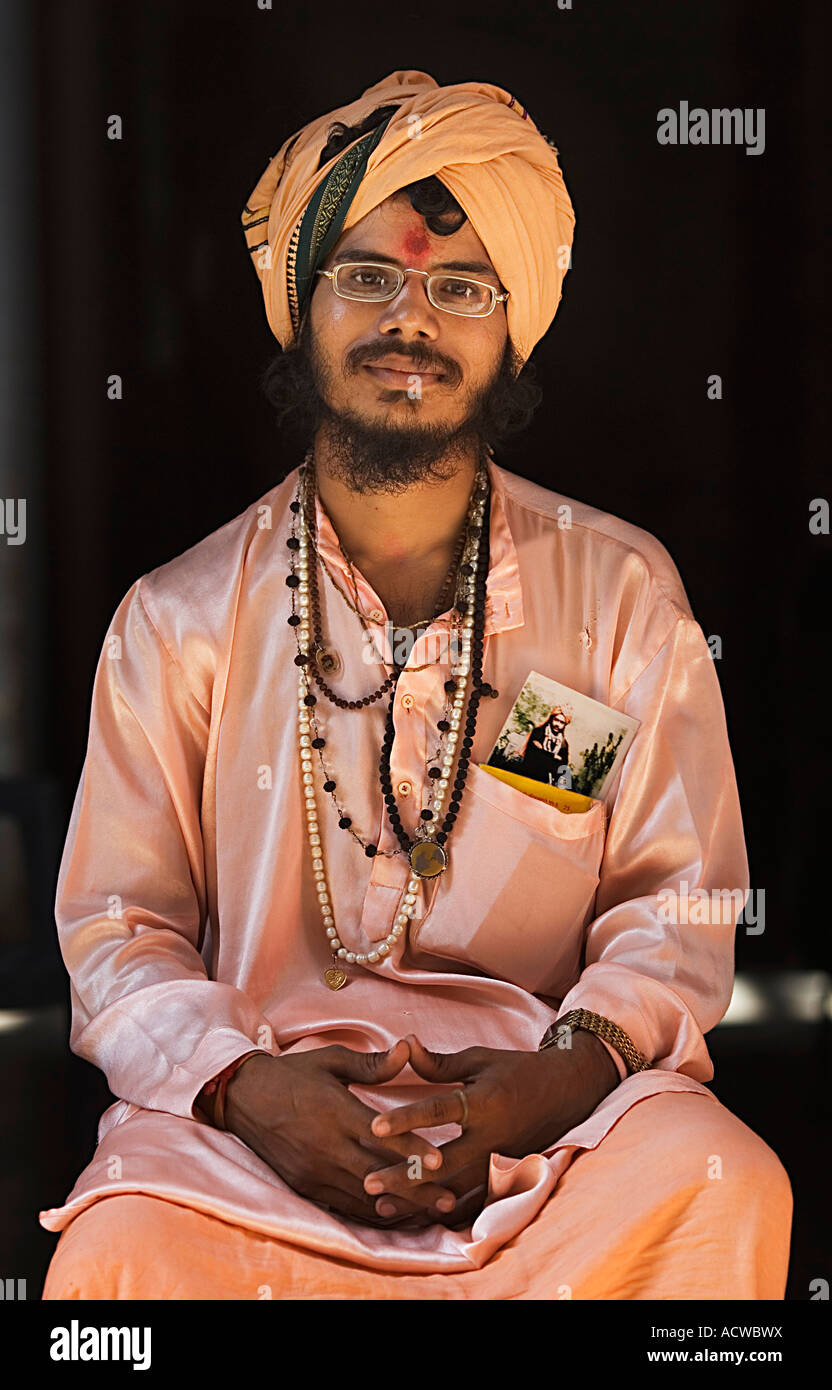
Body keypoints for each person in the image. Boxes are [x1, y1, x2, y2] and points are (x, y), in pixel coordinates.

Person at [40, 69, 791, 1300]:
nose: (411, 321)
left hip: (553, 1128)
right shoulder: (176, 621)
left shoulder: (616, 599)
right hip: (255, 1125)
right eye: (368, 277)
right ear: (302, 308)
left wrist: (567, 1068)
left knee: (719, 1185)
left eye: (459, 288)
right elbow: (119, 933)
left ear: (511, 329)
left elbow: (678, 904)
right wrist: (240, 1085)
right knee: (124, 1258)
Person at [519, 706, 571, 785]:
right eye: (556, 720)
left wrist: (543, 753)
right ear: (551, 719)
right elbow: (532, 757)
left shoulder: (564, 744)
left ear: (565, 725)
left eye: (562, 722)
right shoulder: (538, 733)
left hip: (545, 781)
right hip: (527, 775)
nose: (558, 724)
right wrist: (553, 757)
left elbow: (562, 767)